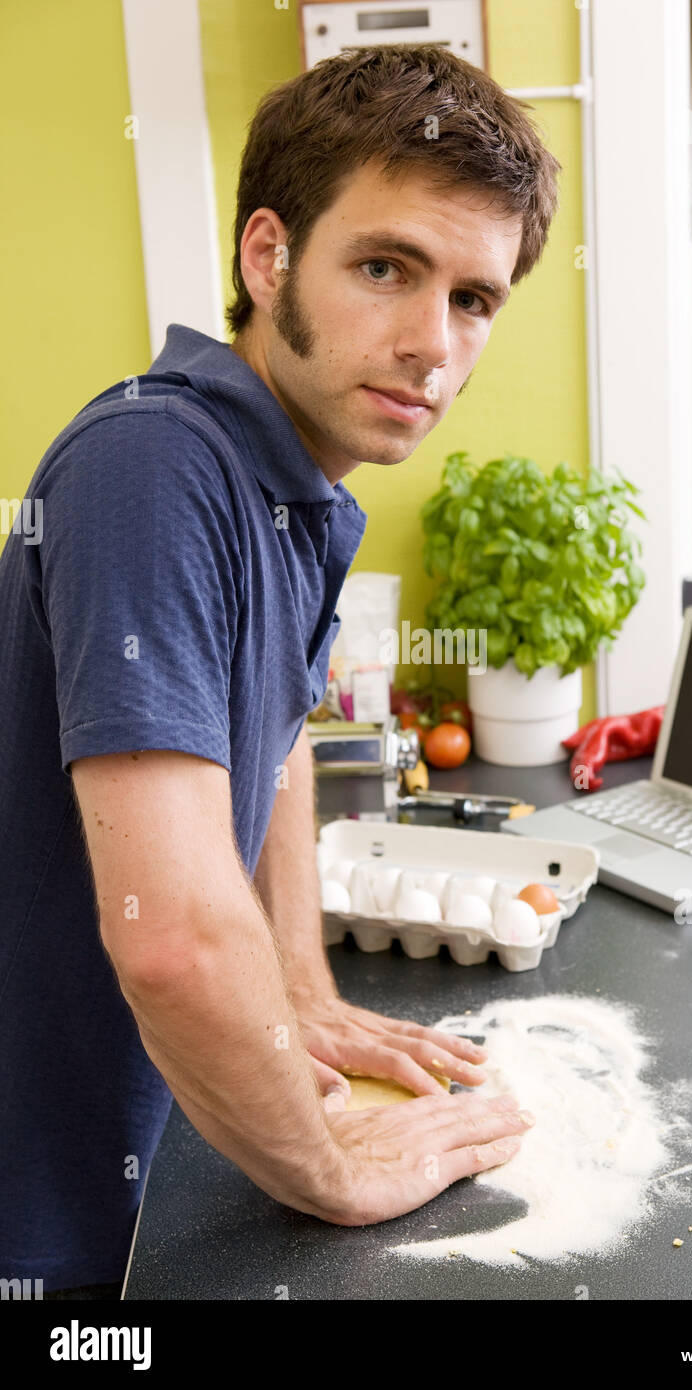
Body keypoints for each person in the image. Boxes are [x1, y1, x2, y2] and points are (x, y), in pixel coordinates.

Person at [0, 42, 560, 1298]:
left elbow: (279, 735)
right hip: (50, 1196)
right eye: (384, 267)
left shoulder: (293, 484)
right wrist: (333, 1168)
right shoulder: (154, 467)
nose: (431, 345)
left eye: (472, 299)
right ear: (268, 256)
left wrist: (300, 985)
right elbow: (172, 948)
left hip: (165, 1125)